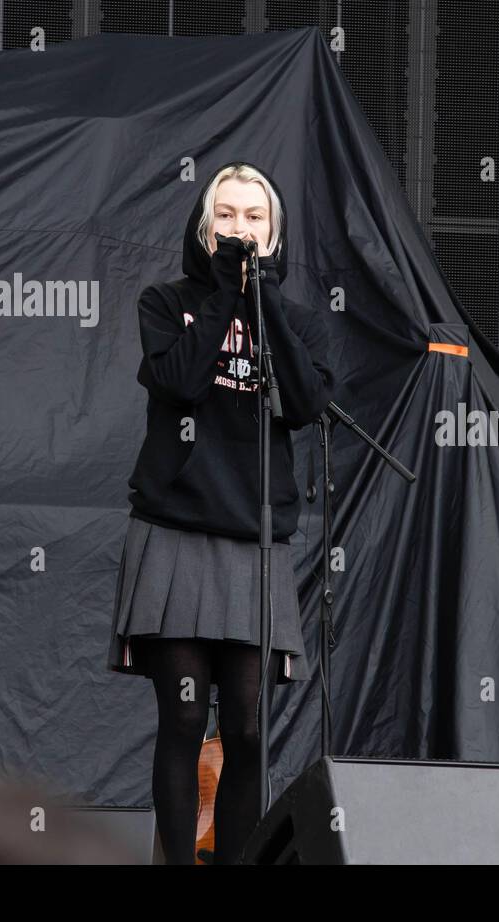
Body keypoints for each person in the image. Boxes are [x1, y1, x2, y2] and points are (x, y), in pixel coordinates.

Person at [106, 161, 333, 863]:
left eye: (254, 218)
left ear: (274, 234)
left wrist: (259, 303)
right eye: (227, 216)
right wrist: (222, 298)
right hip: (175, 533)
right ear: (206, 230)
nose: (241, 228)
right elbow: (177, 380)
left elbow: (306, 404)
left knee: (247, 731)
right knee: (180, 716)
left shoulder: (294, 323)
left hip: (253, 544)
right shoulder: (165, 302)